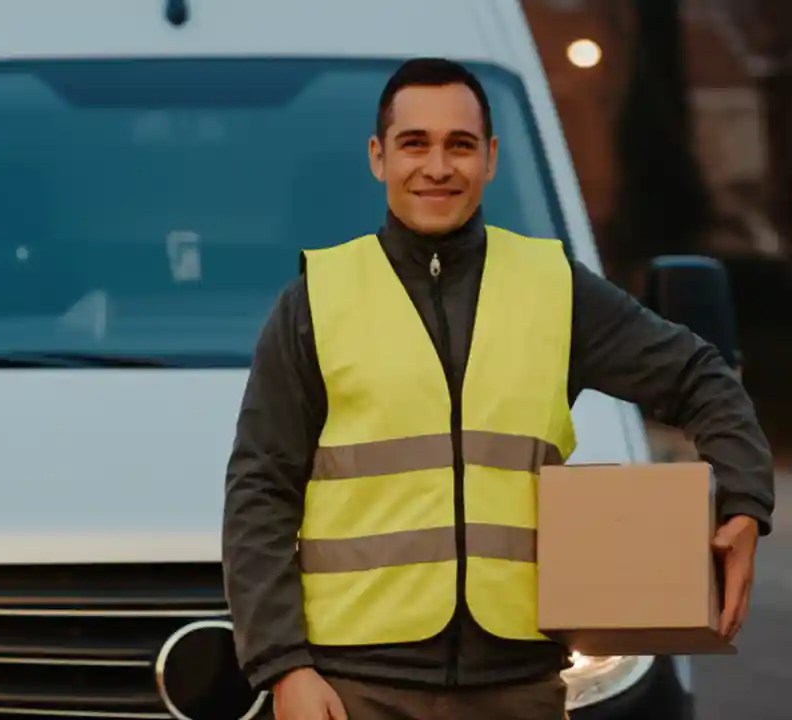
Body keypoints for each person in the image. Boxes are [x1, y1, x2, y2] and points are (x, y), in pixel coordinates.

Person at [221, 57, 775, 720]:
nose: (436, 166)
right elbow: (259, 491)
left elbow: (700, 376)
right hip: (354, 689)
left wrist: (744, 497)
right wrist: (285, 665)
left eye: (459, 145)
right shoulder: (315, 302)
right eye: (414, 144)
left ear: (490, 158)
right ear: (378, 157)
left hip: (518, 688)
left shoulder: (554, 288)